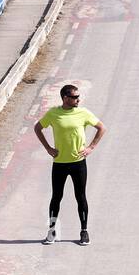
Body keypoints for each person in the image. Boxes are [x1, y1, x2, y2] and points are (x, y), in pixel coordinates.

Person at [34, 84, 106, 245]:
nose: (78, 99)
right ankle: (51, 231)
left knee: (80, 197)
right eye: (74, 97)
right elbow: (38, 128)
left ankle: (84, 231)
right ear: (65, 98)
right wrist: (48, 148)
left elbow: (101, 128)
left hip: (78, 163)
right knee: (56, 197)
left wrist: (91, 147)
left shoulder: (83, 113)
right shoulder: (53, 113)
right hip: (59, 163)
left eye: (78, 97)